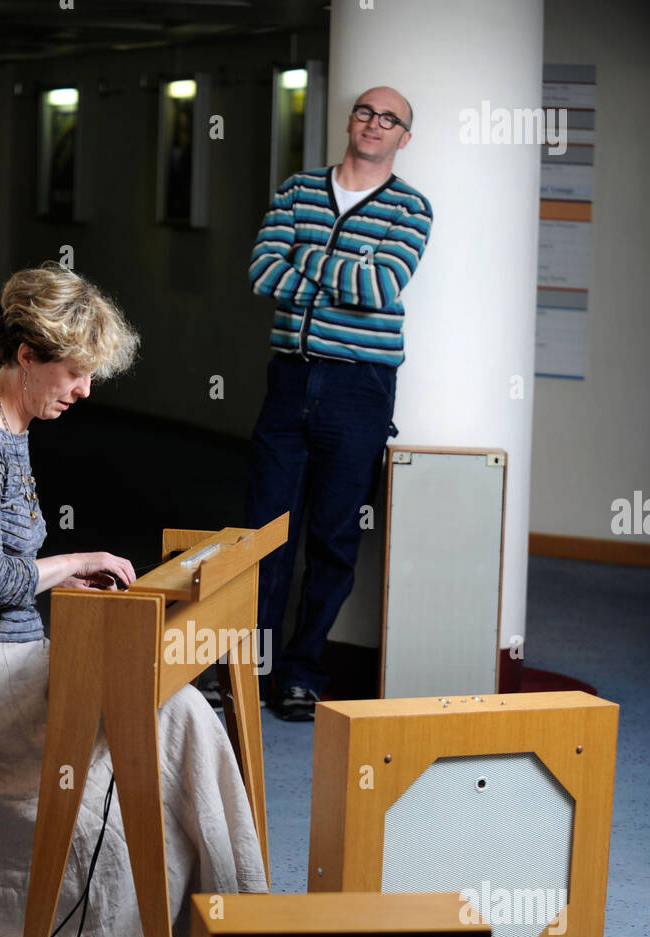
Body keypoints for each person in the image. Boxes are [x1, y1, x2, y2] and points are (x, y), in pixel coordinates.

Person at [0, 262, 267, 937]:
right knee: (168, 714)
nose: (85, 391)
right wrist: (71, 561)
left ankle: (230, 917)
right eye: (74, 373)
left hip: (6, 662)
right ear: (26, 355)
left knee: (174, 711)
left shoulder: (11, 427)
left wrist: (58, 570)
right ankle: (216, 920)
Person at [246, 86, 433, 719]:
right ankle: (253, 669)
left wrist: (304, 257)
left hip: (360, 388)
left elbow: (381, 286)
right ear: (349, 121)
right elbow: (261, 272)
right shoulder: (298, 190)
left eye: (390, 120)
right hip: (290, 380)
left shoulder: (411, 207)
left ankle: (301, 673)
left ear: (404, 137)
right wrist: (338, 267)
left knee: (332, 537)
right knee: (263, 534)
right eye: (365, 112)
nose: (374, 125)